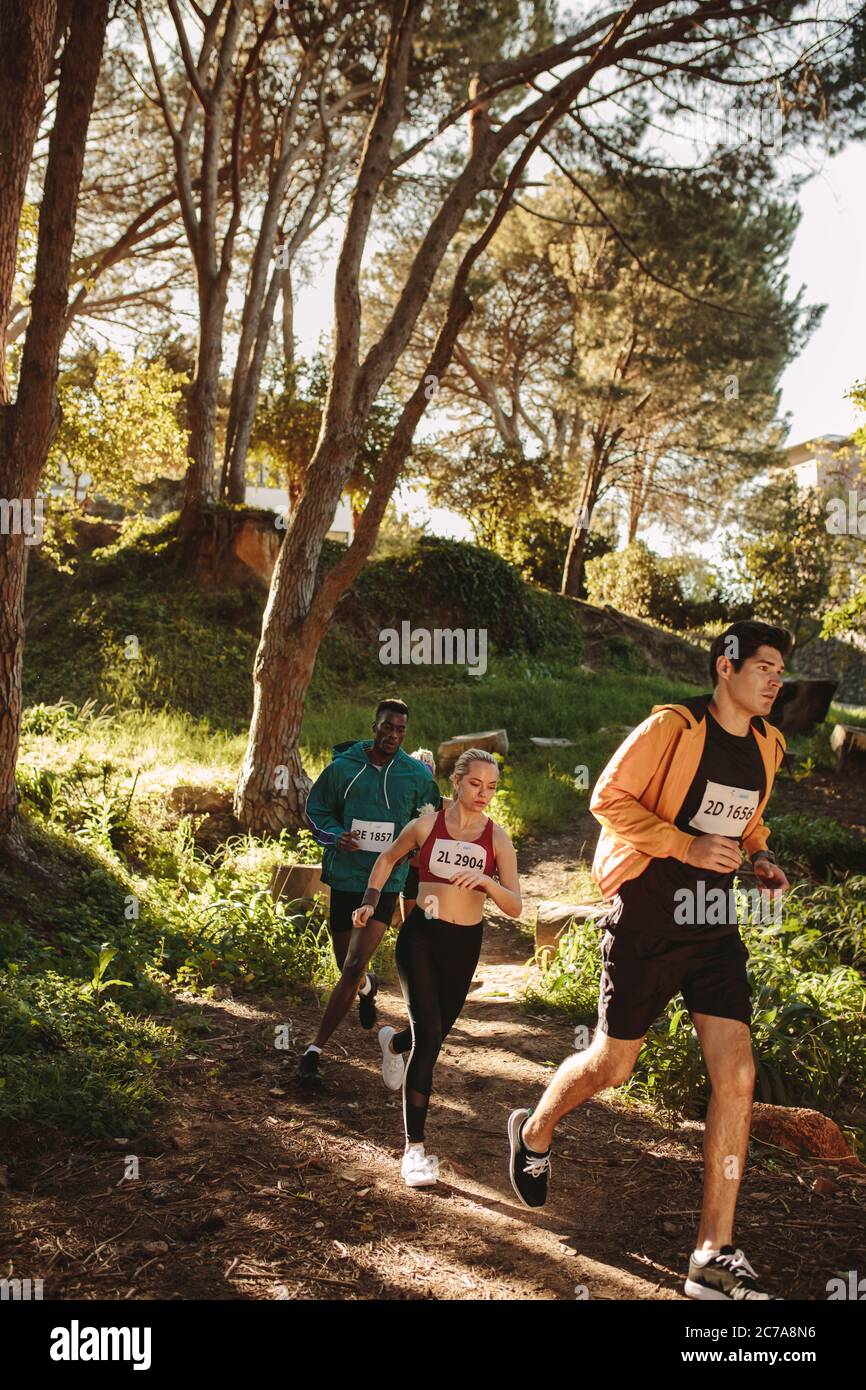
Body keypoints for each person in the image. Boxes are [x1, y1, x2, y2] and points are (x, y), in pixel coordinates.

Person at [507, 620, 792, 1301]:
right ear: (726, 667)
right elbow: (606, 798)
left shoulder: (769, 745)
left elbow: (748, 819)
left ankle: (713, 1254)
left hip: (713, 927)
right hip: (646, 917)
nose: (776, 679)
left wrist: (760, 856)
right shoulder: (672, 726)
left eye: (782, 669)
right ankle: (536, 1130)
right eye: (764, 666)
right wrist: (682, 845)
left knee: (739, 1074)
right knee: (614, 1063)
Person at [354, 748, 522, 1188]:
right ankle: (415, 1151)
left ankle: (393, 1044)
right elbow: (388, 858)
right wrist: (371, 900)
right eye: (475, 784)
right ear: (457, 781)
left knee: (433, 1033)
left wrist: (487, 882)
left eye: (492, 787)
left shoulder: (496, 838)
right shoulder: (428, 825)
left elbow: (516, 906)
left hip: (464, 945)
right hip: (421, 938)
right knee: (430, 1038)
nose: (483, 793)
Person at [298, 699, 441, 1087]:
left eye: (401, 731)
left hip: (385, 884)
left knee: (352, 962)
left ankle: (314, 1050)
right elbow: (315, 811)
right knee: (346, 961)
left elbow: (432, 815)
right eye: (388, 727)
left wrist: (415, 846)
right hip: (346, 877)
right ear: (374, 725)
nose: (393, 735)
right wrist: (333, 835)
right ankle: (367, 987)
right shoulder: (342, 768)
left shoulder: (414, 774)